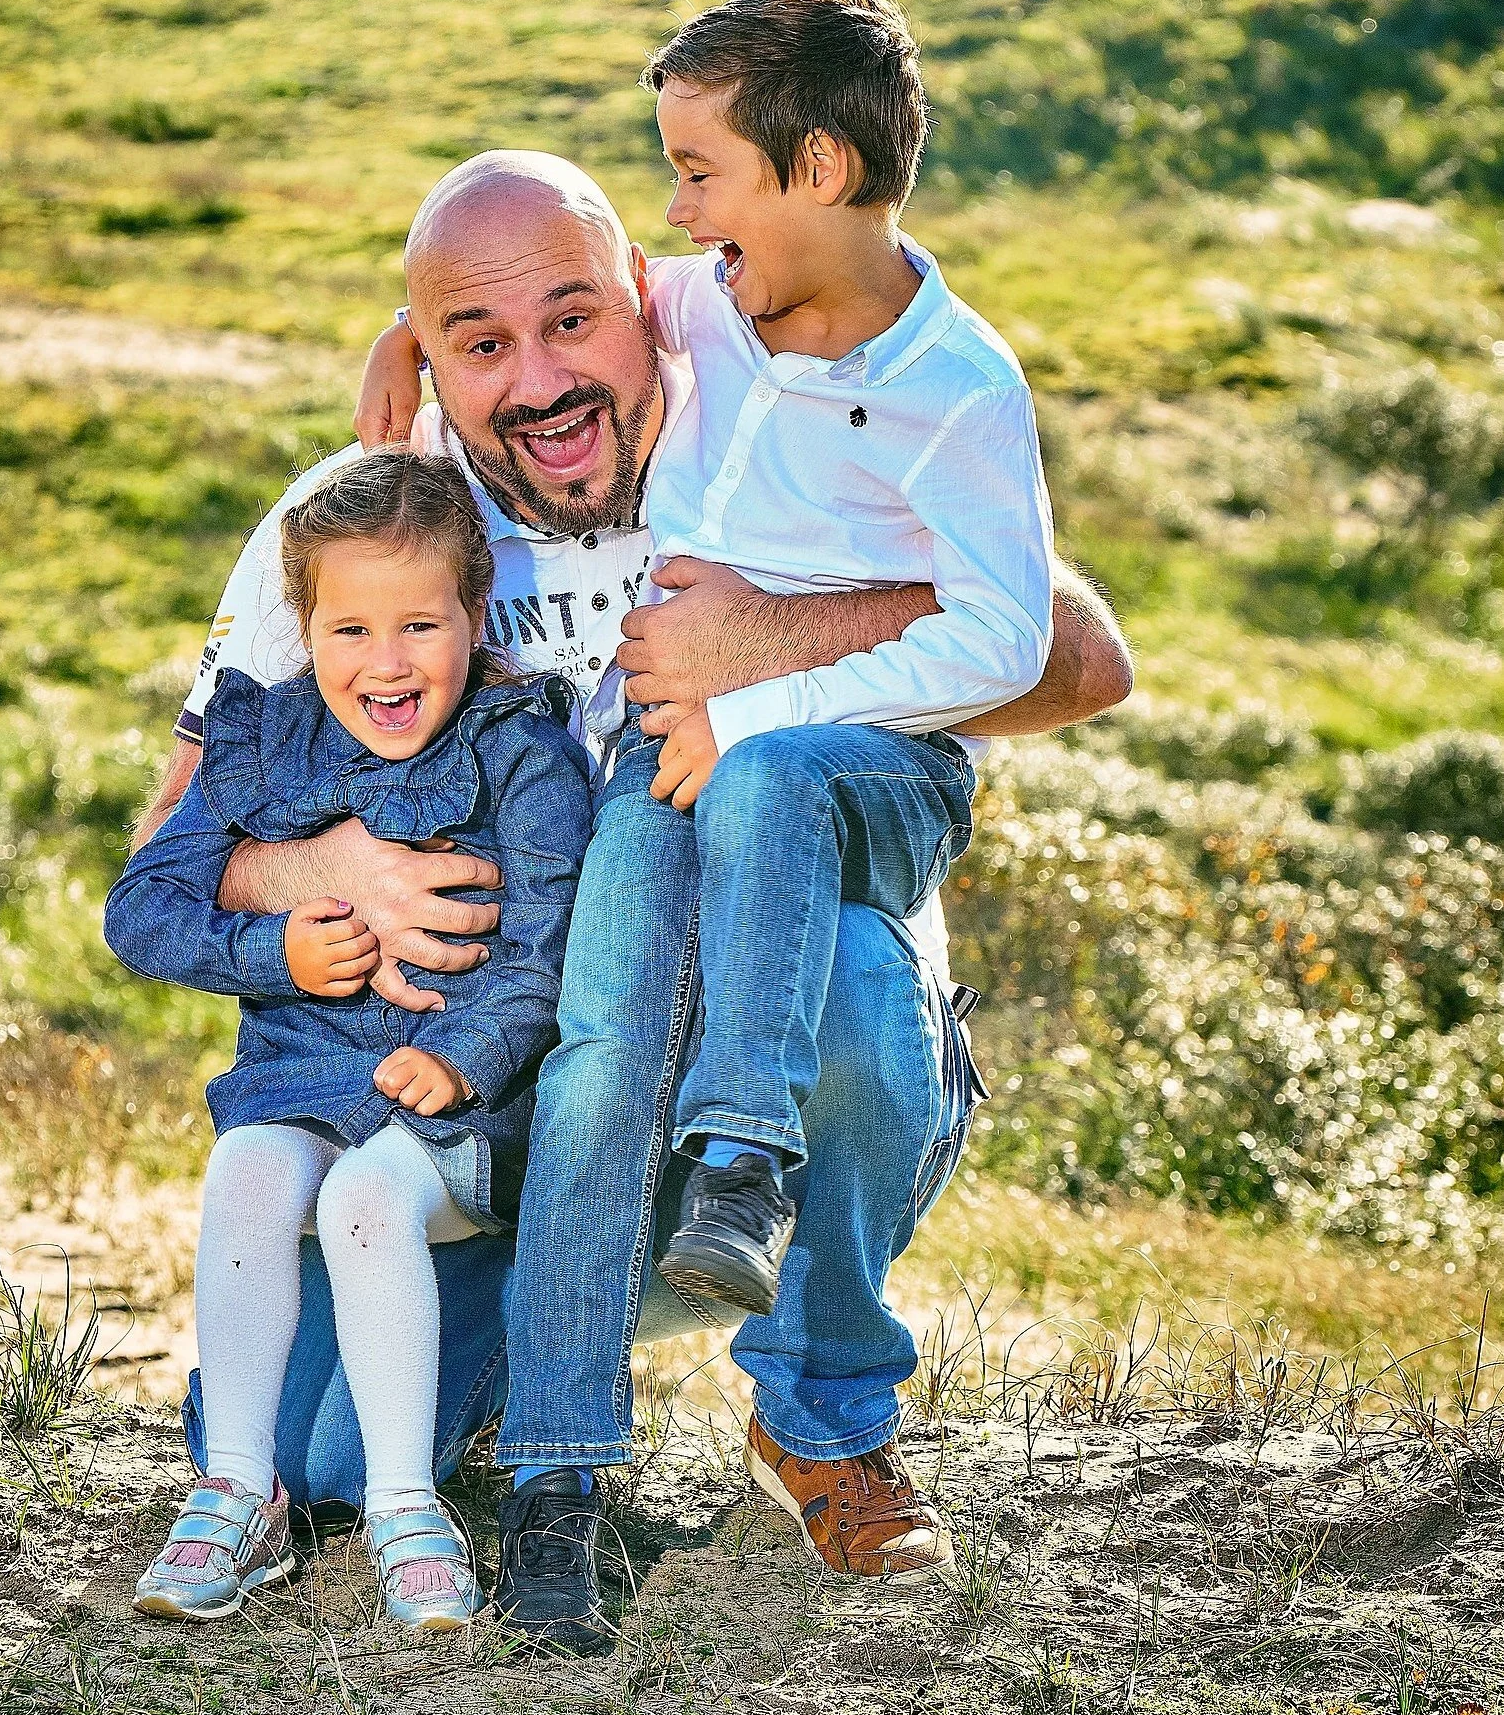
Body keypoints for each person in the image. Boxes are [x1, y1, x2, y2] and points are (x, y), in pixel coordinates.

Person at [134, 150, 1131, 1635]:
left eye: (570, 323)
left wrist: (763, 637)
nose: (537, 381)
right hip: (489, 1103)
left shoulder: (771, 416)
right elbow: (171, 841)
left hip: (771, 1065)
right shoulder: (364, 518)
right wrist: (315, 868)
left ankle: (821, 1415)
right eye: (478, 344)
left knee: (859, 982)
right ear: (429, 354)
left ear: (649, 308)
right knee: (313, 1464)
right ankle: (527, 1357)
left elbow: (1080, 655)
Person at [106, 452, 592, 1628]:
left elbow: (546, 942)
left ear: (476, 619)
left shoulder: (522, 750)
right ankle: (234, 1485)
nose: (386, 662)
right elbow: (143, 909)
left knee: (367, 1201)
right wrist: (276, 953)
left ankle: (405, 1506)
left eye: (421, 623)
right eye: (350, 628)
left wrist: (465, 1056)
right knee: (250, 1171)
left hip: (460, 1109)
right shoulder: (261, 744)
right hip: (303, 1079)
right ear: (305, 627)